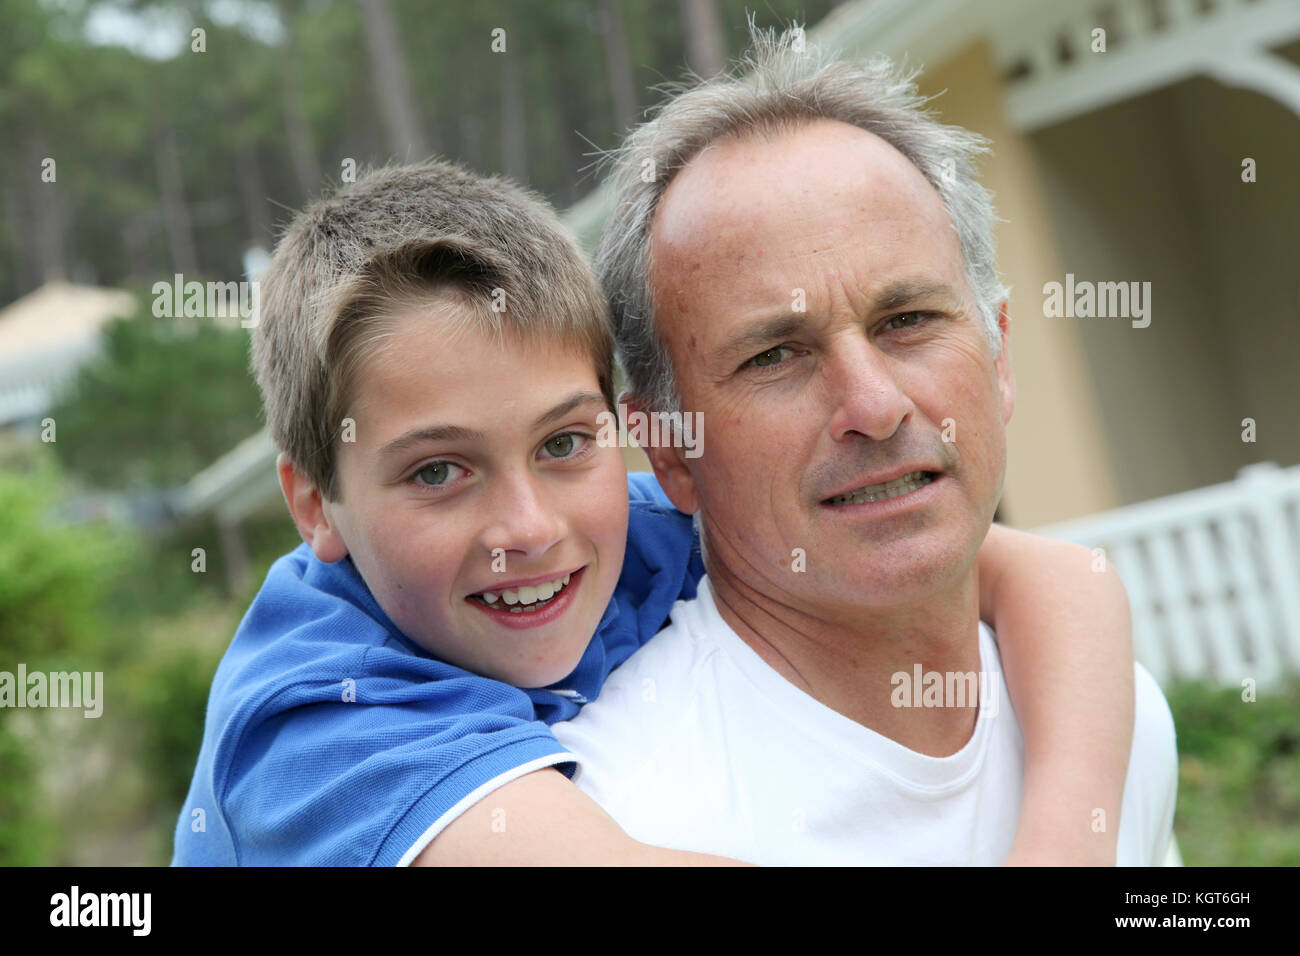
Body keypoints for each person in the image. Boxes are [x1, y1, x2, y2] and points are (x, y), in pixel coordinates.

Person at [172, 155, 1141, 867]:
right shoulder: (311, 711)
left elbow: (1056, 575)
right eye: (437, 472)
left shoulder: (628, 531)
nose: (528, 525)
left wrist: (1069, 837)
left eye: (562, 442)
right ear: (315, 504)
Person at [546, 29, 1178, 865]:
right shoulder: (624, 815)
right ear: (667, 449)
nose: (875, 408)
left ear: (999, 355)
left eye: (908, 320)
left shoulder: (1112, 717)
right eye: (774, 355)